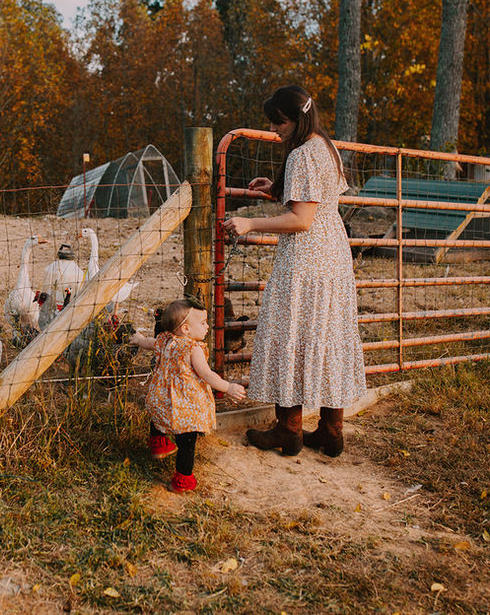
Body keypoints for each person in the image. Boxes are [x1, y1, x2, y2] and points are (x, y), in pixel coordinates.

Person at [223, 85, 366, 457]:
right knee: (326, 333)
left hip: (306, 257)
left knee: (292, 332)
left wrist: (250, 225)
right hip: (333, 253)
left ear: (297, 119)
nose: (275, 130)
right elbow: (320, 197)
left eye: (280, 122)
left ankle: (289, 430)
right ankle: (332, 432)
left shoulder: (302, 154)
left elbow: (302, 219)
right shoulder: (326, 146)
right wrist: (277, 189)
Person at [130, 298, 246, 492]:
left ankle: (159, 444)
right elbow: (207, 374)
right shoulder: (193, 349)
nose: (207, 326)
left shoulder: (165, 339)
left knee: (158, 417)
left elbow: (150, 343)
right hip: (186, 404)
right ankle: (183, 480)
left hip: (162, 397)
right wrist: (228, 387)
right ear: (185, 329)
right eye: (202, 323)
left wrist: (138, 340)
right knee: (187, 442)